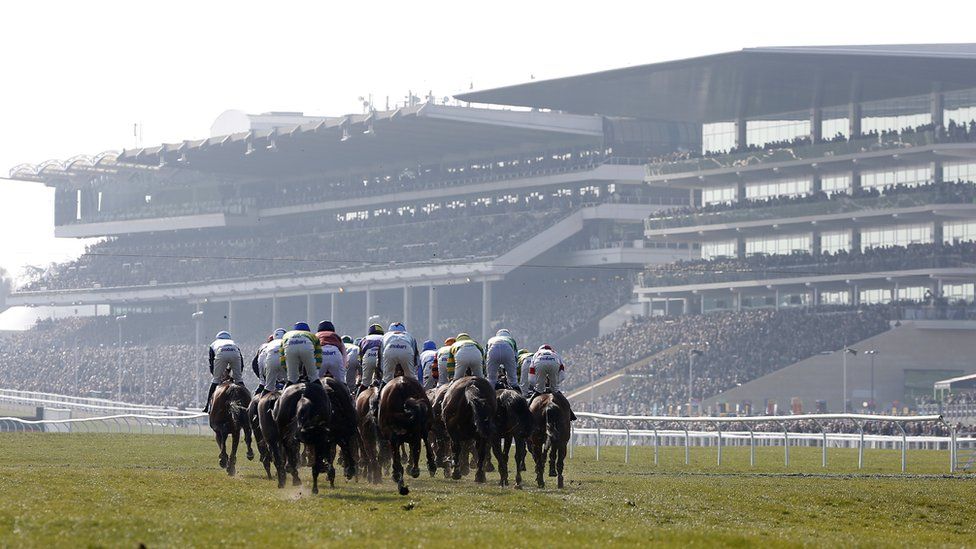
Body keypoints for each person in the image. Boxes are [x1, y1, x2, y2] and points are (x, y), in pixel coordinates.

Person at [203, 331, 245, 412]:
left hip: (221, 353)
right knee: (239, 380)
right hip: (234, 353)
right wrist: (237, 376)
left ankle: (207, 406)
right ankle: (248, 402)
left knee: (215, 380)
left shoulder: (214, 344)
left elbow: (211, 362)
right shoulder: (233, 343)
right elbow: (241, 363)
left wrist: (216, 376)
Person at [279, 322, 322, 386]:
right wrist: (316, 369)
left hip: (290, 346)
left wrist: (287, 369)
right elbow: (318, 356)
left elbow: (282, 356)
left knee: (292, 380)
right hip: (306, 347)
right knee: (314, 378)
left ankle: (283, 394)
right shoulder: (312, 335)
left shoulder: (287, 335)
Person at [252, 328, 285, 395]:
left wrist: (262, 380)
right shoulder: (287, 342)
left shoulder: (265, 345)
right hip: (282, 363)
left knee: (265, 386)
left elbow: (255, 364)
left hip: (267, 363)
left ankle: (256, 403)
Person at [358, 324, 385, 392]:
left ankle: (356, 400)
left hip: (368, 356)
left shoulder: (364, 338)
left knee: (365, 383)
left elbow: (360, 358)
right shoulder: (384, 337)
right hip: (381, 357)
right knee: (385, 380)